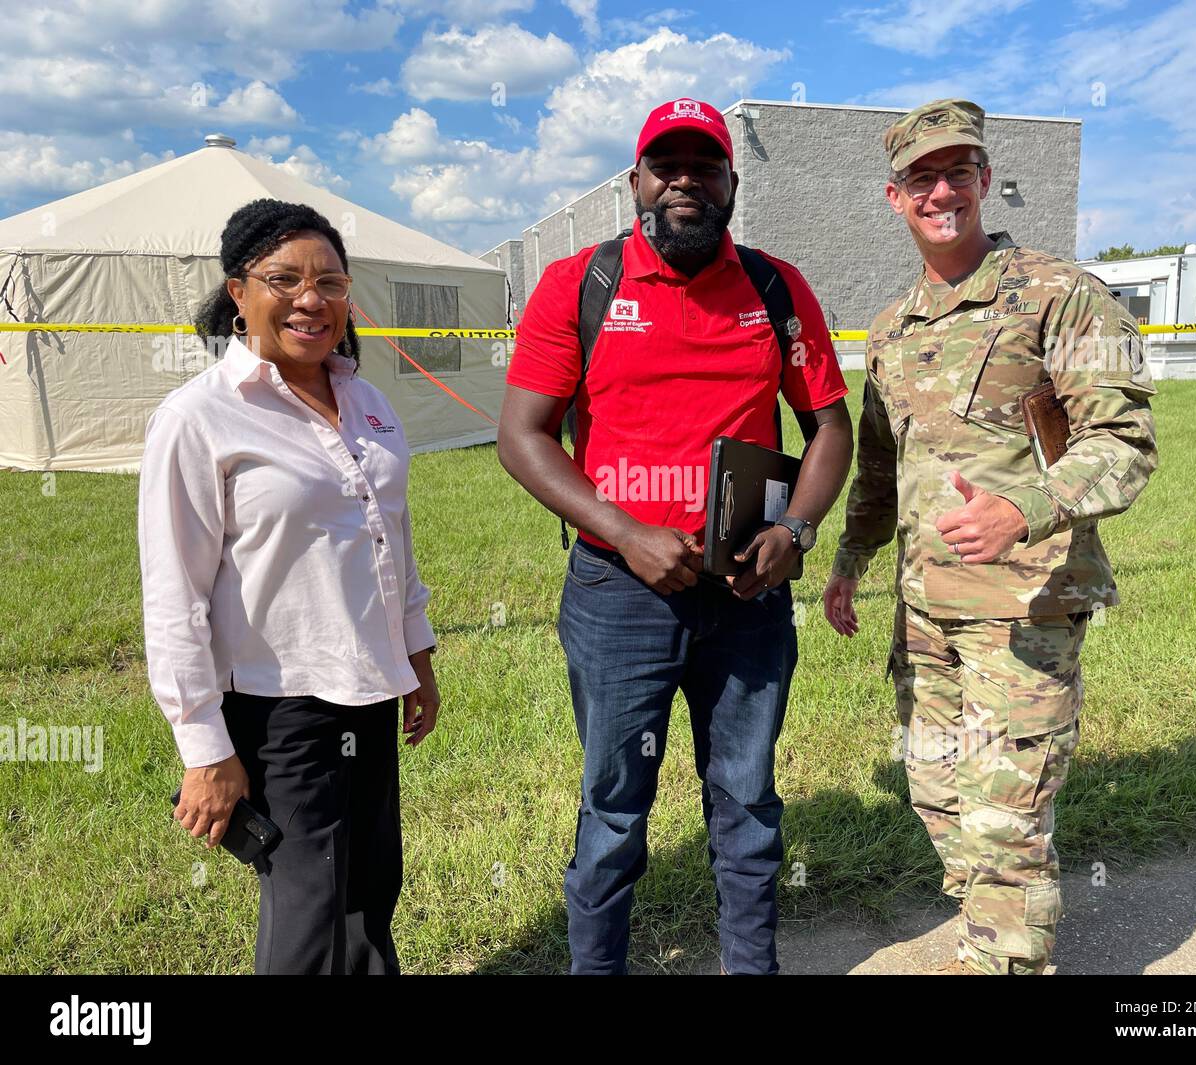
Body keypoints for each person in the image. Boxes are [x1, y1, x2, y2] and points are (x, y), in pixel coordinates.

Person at [498, 98, 853, 974]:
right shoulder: (580, 284)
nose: (685, 183)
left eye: (706, 167)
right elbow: (522, 437)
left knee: (746, 798)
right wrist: (628, 534)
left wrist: (796, 533)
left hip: (746, 593)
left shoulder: (776, 287)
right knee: (614, 808)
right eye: (668, 166)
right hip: (619, 593)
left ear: (733, 182)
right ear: (636, 183)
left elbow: (831, 428)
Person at [824, 99, 1158, 975]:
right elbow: (879, 467)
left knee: (1005, 825)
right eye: (922, 178)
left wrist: (1027, 508)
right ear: (895, 198)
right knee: (939, 797)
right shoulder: (892, 326)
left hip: (1027, 607)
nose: (944, 191)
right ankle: (995, 934)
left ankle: (1001, 958)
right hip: (925, 610)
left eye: (959, 171)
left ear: (982, 180)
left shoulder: (1060, 293)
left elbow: (1123, 443)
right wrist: (849, 562)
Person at [139, 198, 441, 975]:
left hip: (370, 689)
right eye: (285, 278)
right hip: (281, 709)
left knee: (371, 892)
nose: (312, 299)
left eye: (331, 282)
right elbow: (175, 595)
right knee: (310, 914)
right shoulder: (199, 417)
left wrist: (418, 655)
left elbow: (394, 538)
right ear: (238, 291)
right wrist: (205, 748)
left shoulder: (366, 401)